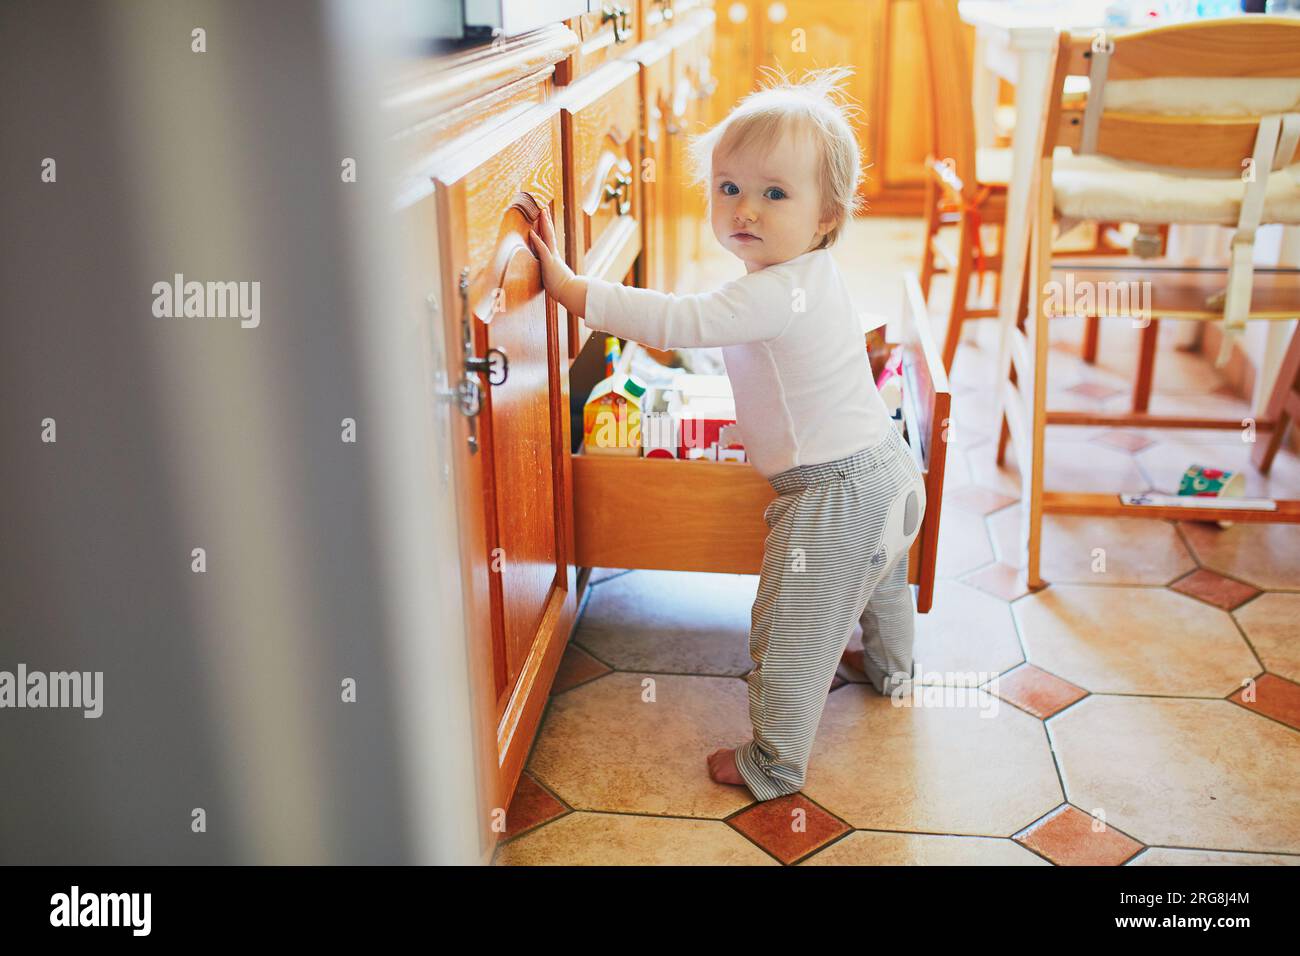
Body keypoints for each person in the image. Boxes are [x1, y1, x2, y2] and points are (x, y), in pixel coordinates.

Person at [528, 66, 926, 802]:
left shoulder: (769, 291)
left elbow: (683, 319)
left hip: (831, 499)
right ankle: (893, 670)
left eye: (775, 193)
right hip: (891, 474)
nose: (745, 208)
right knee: (883, 586)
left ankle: (773, 764)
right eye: (728, 187)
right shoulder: (816, 273)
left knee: (790, 636)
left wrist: (571, 289)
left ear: (827, 214)